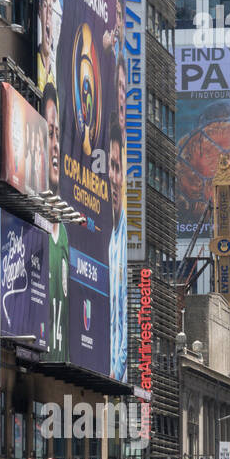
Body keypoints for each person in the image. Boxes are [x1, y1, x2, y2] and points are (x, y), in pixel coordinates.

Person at [44, 84, 69, 364]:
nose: (54, 143)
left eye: (58, 134)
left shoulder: (64, 236)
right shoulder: (32, 229)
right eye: (49, 133)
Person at [108, 120, 128, 383]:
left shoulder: (125, 243)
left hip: (116, 376)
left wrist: (117, 370)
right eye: (110, 167)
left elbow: (127, 317)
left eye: (117, 168)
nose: (113, 177)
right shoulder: (109, 239)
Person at [37, 0, 56, 91]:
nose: (48, 15)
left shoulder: (53, 79)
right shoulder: (37, 65)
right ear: (39, 13)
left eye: (51, 9)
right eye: (45, 6)